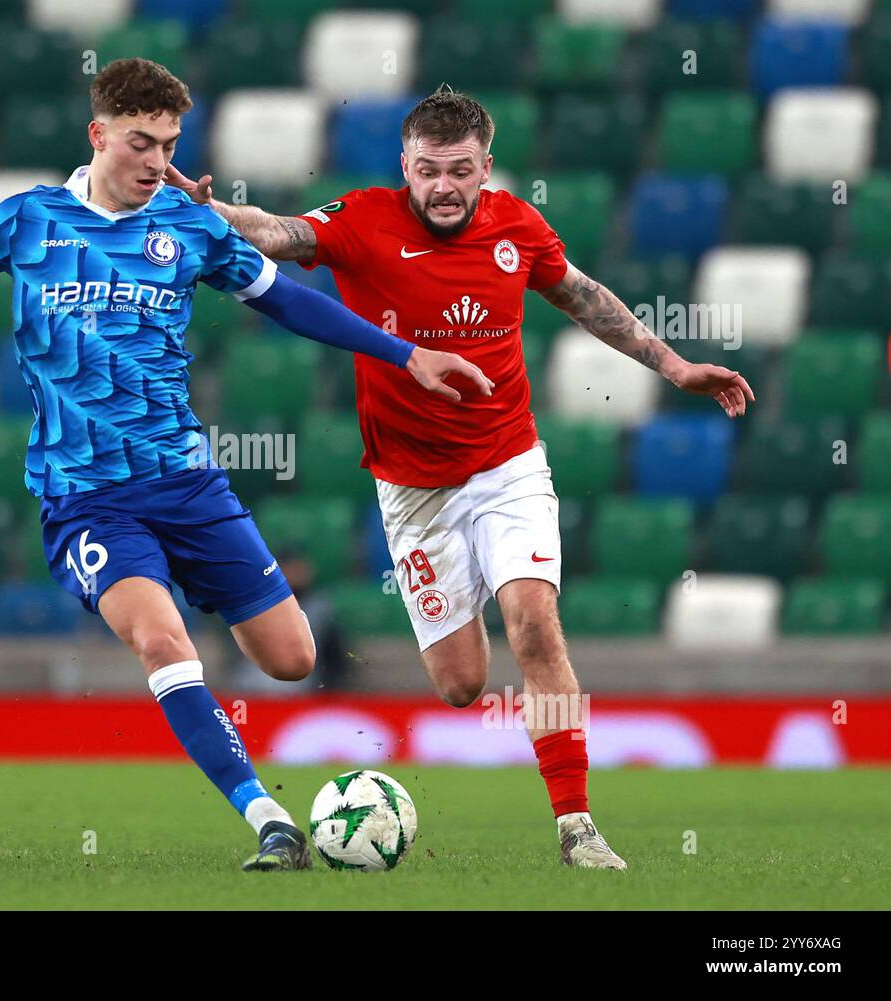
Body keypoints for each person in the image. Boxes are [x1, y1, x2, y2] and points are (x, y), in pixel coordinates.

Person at [0, 60, 485, 872]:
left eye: (169, 144)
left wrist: (403, 352)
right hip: (87, 497)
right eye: (141, 142)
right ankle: (269, 821)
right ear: (99, 134)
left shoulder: (190, 225)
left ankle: (206, 602)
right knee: (162, 639)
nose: (155, 161)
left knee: (293, 657)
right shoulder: (26, 220)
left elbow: (289, 299)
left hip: (189, 482)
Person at [166, 86, 756, 870]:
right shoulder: (366, 219)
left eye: (462, 170)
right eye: (429, 169)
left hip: (507, 462)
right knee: (460, 685)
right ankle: (472, 613)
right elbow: (281, 232)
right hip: (414, 489)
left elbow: (584, 296)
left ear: (486, 168)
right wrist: (217, 215)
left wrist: (674, 363)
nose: (444, 186)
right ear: (405, 165)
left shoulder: (518, 225)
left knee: (536, 624)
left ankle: (577, 828)